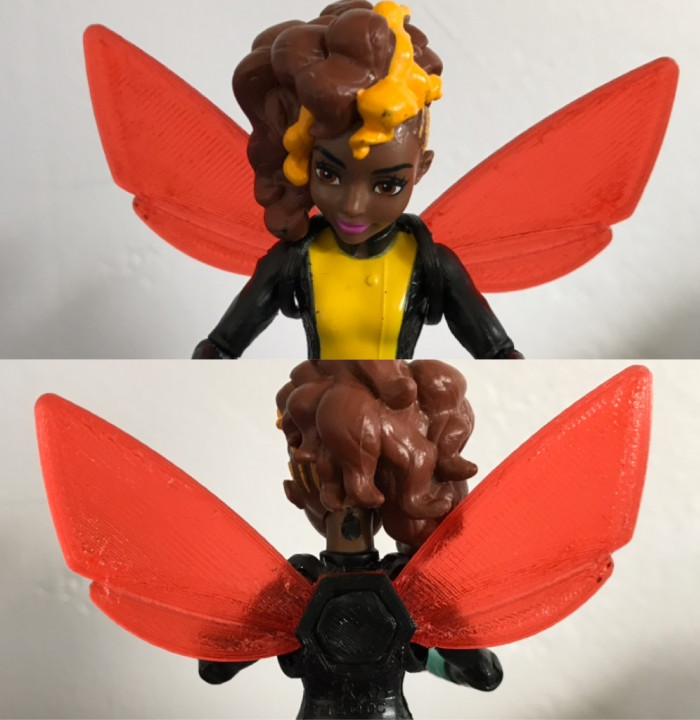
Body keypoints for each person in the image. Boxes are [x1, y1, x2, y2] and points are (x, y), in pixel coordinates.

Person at [193, 1, 520, 360]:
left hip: (397, 392)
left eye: (387, 186)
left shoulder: (430, 265)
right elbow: (221, 345)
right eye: (329, 174)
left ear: (421, 169)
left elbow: (497, 352)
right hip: (317, 389)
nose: (352, 206)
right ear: (305, 161)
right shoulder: (295, 259)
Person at [199, 360, 503, 719]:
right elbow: (485, 674)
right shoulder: (405, 585)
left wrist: (268, 624)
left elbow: (215, 668)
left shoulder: (300, 582)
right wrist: (436, 648)